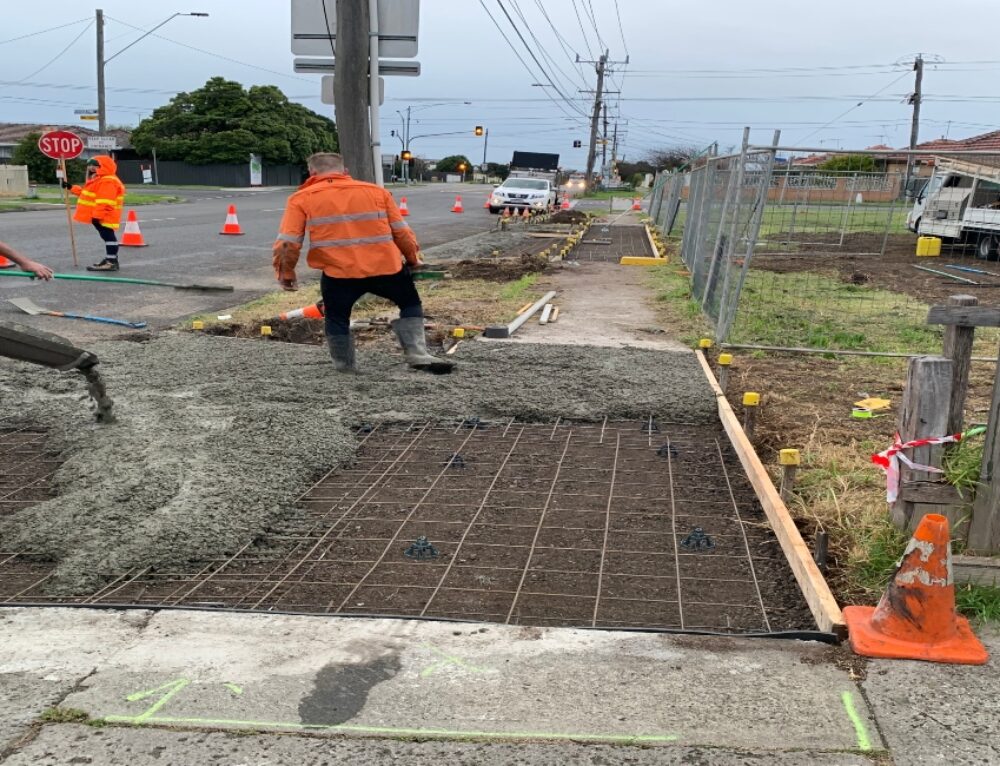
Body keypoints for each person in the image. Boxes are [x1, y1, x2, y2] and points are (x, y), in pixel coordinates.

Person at [272, 152, 453, 374]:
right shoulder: (377, 192)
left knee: (337, 316)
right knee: (409, 303)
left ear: (312, 172)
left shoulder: (301, 198)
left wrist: (286, 272)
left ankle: (344, 366)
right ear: (344, 172)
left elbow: (288, 243)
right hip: (386, 267)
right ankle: (417, 352)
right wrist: (414, 260)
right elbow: (402, 232)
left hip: (340, 274)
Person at [63, 155, 126, 272]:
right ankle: (110, 259)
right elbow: (87, 194)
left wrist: (97, 216)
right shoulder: (99, 179)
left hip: (105, 215)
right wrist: (71, 188)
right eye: (90, 165)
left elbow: (105, 201)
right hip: (101, 214)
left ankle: (111, 262)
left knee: (109, 237)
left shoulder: (108, 181)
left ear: (103, 166)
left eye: (94, 165)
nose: (91, 168)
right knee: (106, 236)